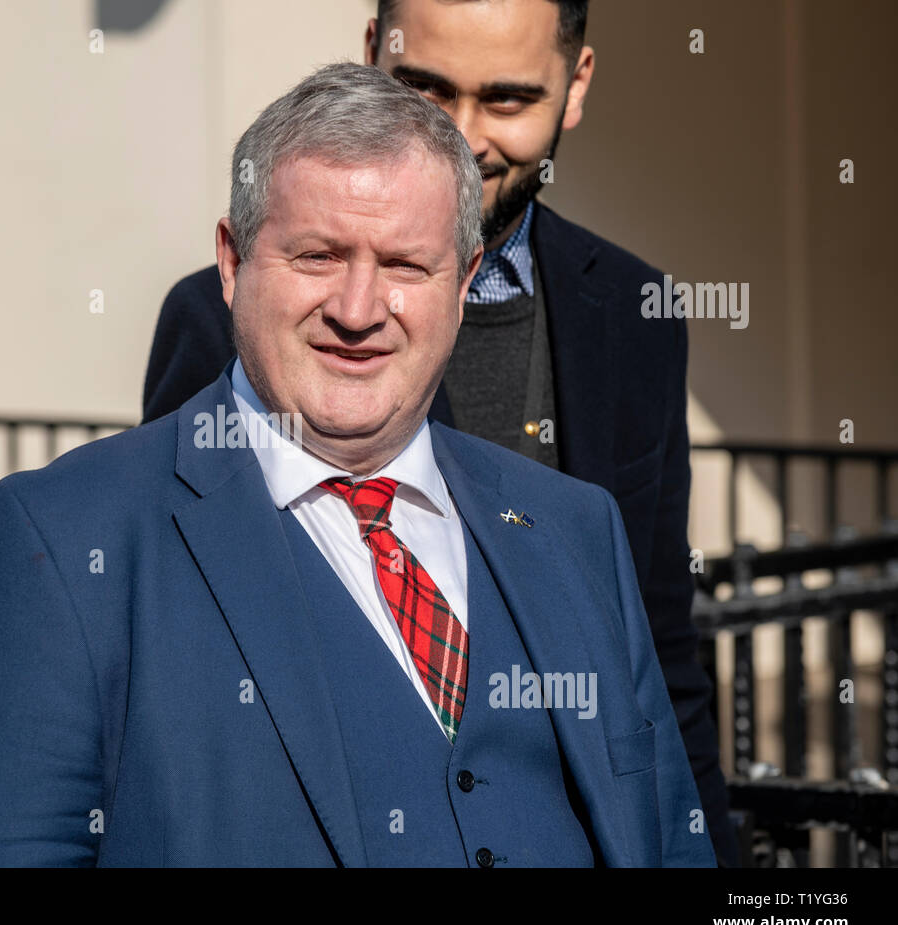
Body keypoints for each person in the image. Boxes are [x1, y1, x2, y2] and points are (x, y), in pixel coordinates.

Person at [0, 63, 714, 867]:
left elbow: (673, 840)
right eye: (318, 256)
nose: (358, 312)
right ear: (231, 261)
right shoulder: (60, 545)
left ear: (463, 283)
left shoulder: (577, 530)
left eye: (404, 266)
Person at [140, 0, 737, 865]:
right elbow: (184, 646)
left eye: (505, 100)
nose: (460, 139)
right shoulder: (229, 317)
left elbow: (662, 665)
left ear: (576, 86)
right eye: (425, 87)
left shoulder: (637, 315)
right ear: (371, 54)